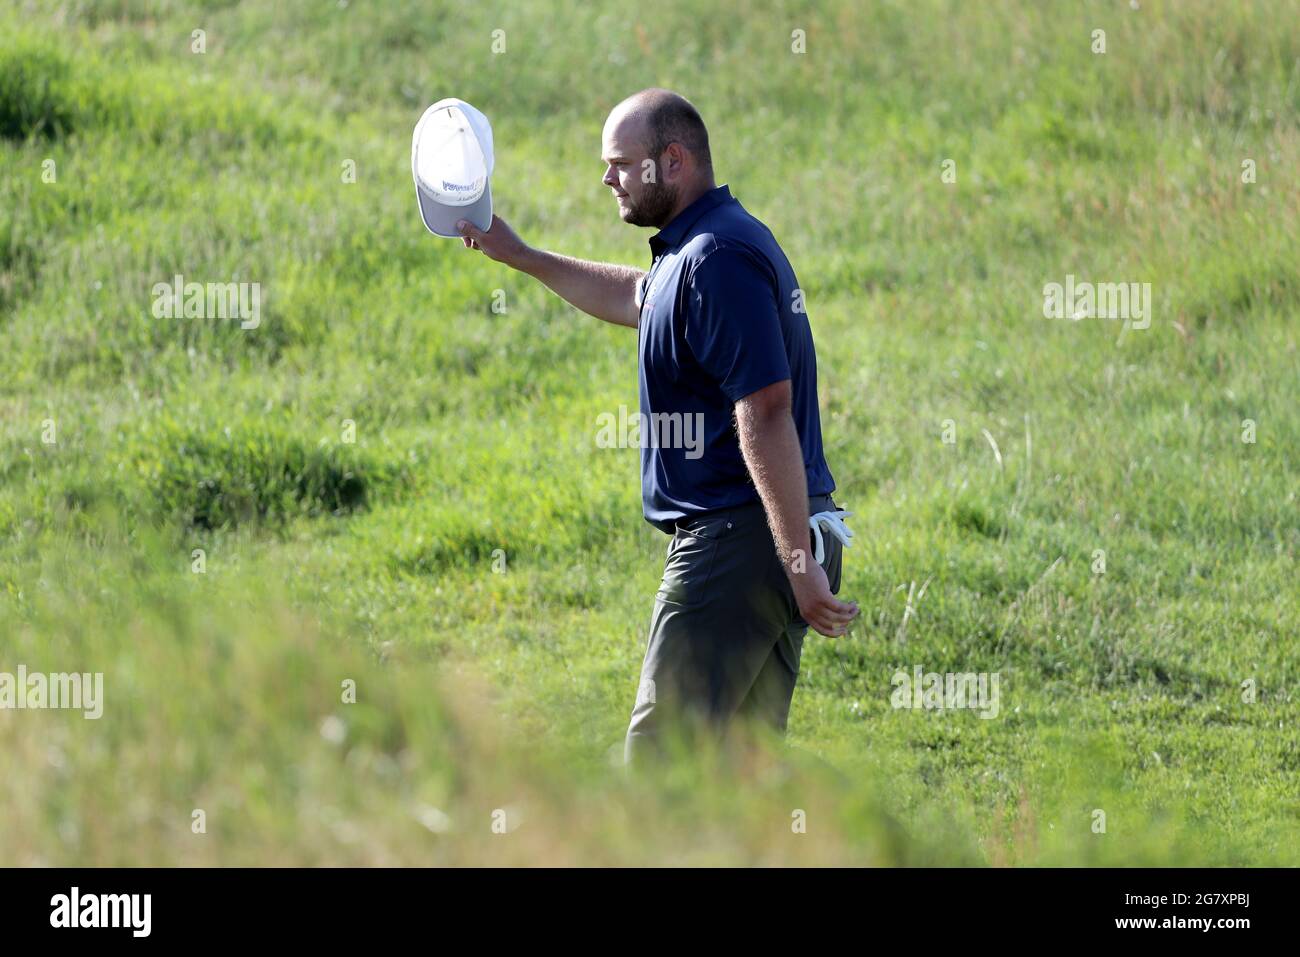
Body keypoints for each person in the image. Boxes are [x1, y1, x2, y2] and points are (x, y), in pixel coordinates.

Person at [454, 88, 859, 765]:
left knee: (656, 767)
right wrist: (519, 254)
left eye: (619, 162)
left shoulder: (717, 259)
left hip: (739, 540)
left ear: (672, 162)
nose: (606, 177)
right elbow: (634, 296)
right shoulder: (691, 255)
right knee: (738, 773)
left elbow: (764, 410)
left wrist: (795, 560)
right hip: (769, 536)